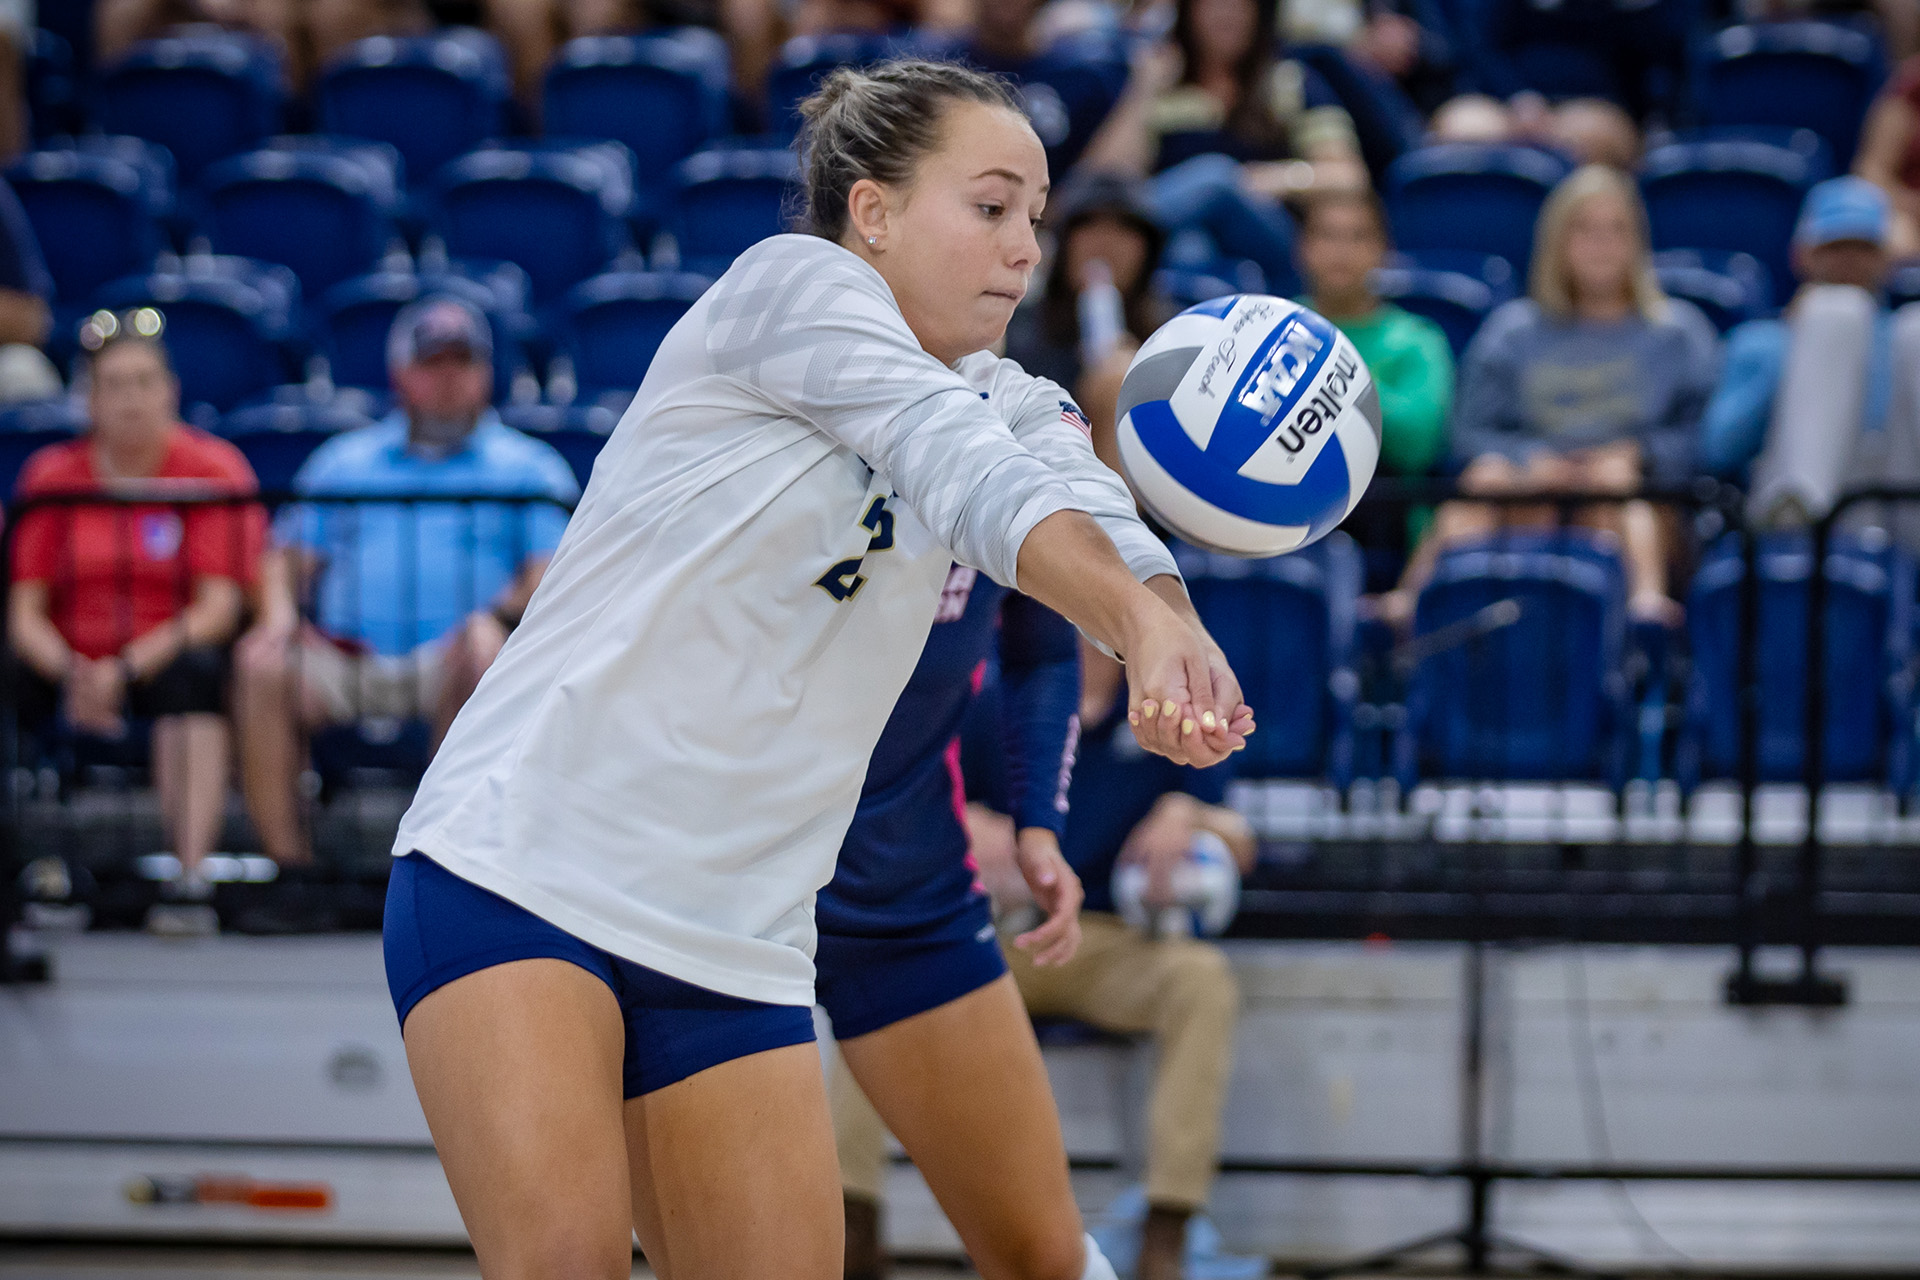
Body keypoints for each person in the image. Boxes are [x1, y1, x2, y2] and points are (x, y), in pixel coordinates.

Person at [380, 59, 1252, 1280]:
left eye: (1036, 216)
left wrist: (1171, 629)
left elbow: (1089, 507)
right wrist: (1139, 623)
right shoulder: (788, 289)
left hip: (737, 934)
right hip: (526, 862)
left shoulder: (1015, 399)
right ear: (873, 211)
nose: (1025, 248)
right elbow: (962, 470)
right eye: (990, 206)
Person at [835, 635, 1254, 1280]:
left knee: (1203, 983)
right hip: (1005, 932)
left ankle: (1165, 1233)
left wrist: (1191, 814)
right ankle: (853, 1227)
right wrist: (968, 830)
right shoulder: (995, 699)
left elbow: (1242, 838)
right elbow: (918, 800)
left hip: (1114, 937)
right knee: (873, 979)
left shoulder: (1164, 703)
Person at [233, 297, 578, 868]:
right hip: (345, 661)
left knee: (486, 652)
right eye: (432, 363)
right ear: (400, 375)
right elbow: (284, 560)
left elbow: (550, 571)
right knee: (260, 662)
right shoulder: (345, 461)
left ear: (486, 373)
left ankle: (446, 870)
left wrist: (493, 616)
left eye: (463, 363)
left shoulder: (528, 466)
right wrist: (280, 618)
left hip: (456, 661)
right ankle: (290, 873)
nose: (449, 378)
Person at [820, 575, 1089, 1280]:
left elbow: (1044, 650)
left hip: (905, 886)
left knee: (1049, 1262)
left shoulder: (1027, 497)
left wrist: (1039, 823)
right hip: (730, 893)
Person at [8, 309, 265, 930]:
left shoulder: (212, 469)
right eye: (115, 385)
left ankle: (188, 881)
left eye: (145, 382)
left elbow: (217, 608)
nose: (132, 399)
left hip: (163, 653)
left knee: (196, 675)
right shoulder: (51, 476)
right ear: (89, 399)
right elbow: (24, 611)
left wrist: (123, 670)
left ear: (171, 391)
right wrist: (74, 673)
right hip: (67, 658)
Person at [1380, 164, 1719, 627]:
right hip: (1531, 489)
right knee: (1485, 478)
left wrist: (1638, 454)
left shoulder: (1678, 333)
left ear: (1638, 241)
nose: (1601, 245)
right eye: (1585, 230)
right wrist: (1531, 461)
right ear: (1557, 241)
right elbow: (1469, 433)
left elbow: (1703, 439)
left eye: (1615, 230)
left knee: (1616, 492)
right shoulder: (1512, 332)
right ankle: (1411, 613)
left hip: (1635, 495)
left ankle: (1642, 622)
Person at [1078, 0, 1366, 291]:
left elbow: (1349, 176)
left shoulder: (1288, 82)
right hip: (1185, 245)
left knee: (1214, 178)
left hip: (1276, 245)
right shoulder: (1163, 88)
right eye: (1213, 4)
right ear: (1188, 13)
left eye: (1241, 5)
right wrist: (1144, 87)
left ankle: (1109, 241)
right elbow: (1106, 178)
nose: (1227, 14)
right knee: (1192, 246)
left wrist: (1269, 179)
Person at [1700, 177, 1916, 532]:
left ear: (1885, 258)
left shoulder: (1903, 340)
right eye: (1835, 247)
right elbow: (1717, 449)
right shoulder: (1764, 340)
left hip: (1894, 503)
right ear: (1802, 254)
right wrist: (1790, 352)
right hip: (1788, 505)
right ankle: (1802, 514)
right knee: (1838, 313)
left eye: (1863, 248)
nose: (1849, 261)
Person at [1004, 171, 1173, 464]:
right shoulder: (1014, 328)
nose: (1105, 243)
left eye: (1124, 229)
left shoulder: (1170, 334)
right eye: (1089, 225)